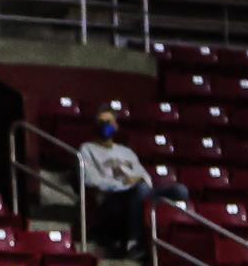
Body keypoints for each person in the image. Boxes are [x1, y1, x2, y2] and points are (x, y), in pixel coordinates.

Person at [80, 109, 190, 258]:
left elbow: (145, 177)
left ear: (116, 126)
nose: (106, 125)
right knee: (139, 189)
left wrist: (138, 181)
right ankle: (133, 243)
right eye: (102, 122)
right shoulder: (87, 149)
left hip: (138, 194)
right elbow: (91, 180)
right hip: (112, 199)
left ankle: (175, 242)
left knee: (180, 191)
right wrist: (124, 183)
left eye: (109, 121)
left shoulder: (126, 152)